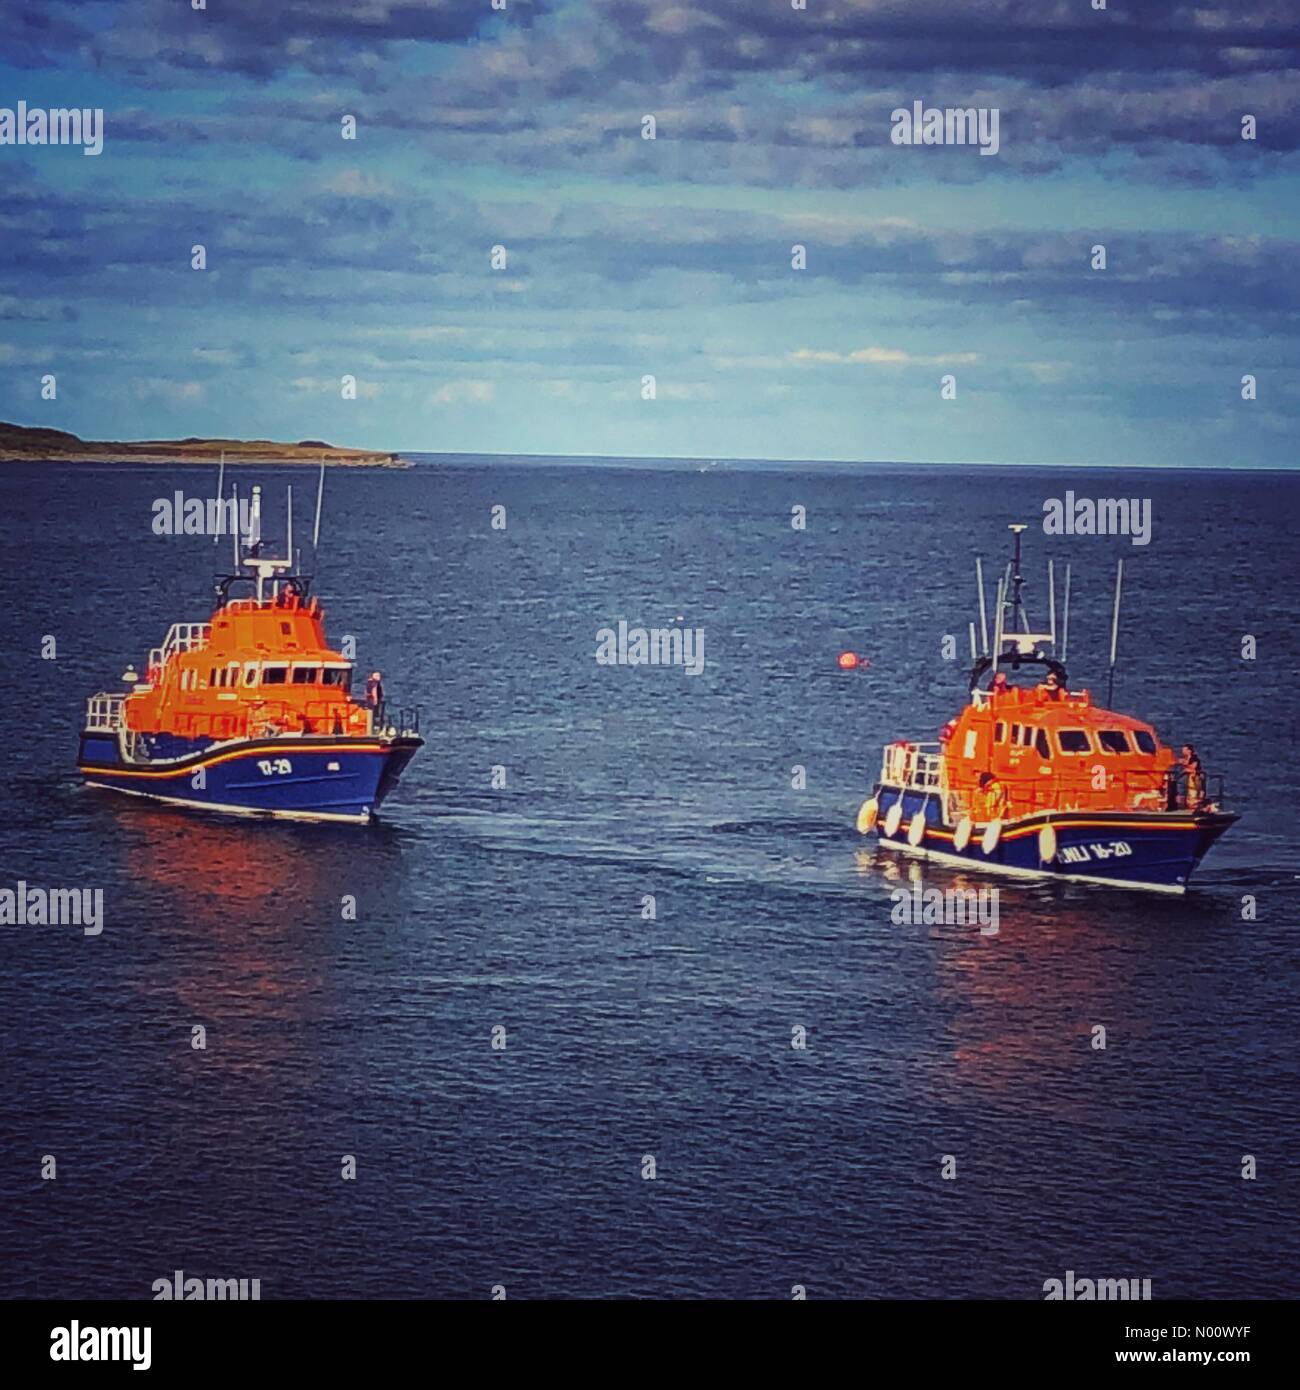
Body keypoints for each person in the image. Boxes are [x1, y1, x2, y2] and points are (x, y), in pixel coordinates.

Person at [1180, 743, 1205, 809]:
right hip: (1190, 778)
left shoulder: (1194, 758)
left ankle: (1195, 805)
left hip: (1195, 777)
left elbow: (1194, 767)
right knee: (1190, 792)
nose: (1183, 751)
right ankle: (1191, 804)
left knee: (1195, 792)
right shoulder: (1187, 758)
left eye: (1184, 750)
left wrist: (1186, 767)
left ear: (1189, 750)